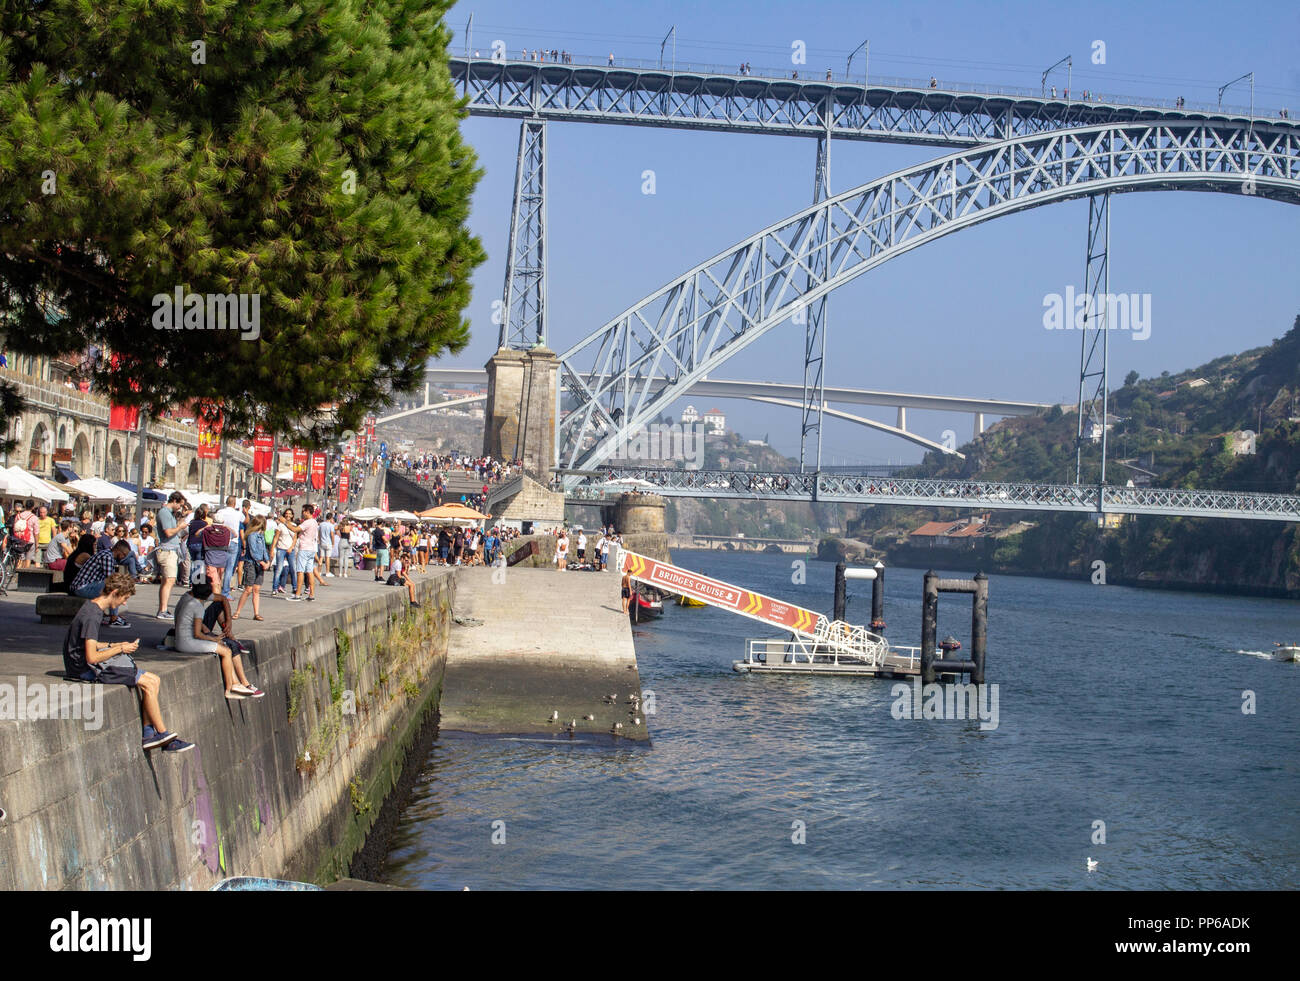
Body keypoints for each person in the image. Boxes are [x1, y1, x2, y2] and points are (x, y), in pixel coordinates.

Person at [63, 569, 192, 752]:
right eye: (124, 599)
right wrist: (120, 649)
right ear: (115, 593)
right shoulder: (93, 615)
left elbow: (87, 643)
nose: (124, 603)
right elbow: (91, 656)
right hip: (86, 669)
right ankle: (163, 735)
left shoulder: (91, 607)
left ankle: (149, 733)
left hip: (82, 663)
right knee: (148, 683)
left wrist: (112, 644)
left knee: (155, 680)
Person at [174, 583, 264, 699]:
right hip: (187, 643)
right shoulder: (198, 607)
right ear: (206, 596)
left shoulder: (191, 601)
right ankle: (230, 689)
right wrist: (213, 639)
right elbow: (197, 633)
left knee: (224, 647)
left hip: (183, 640)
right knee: (226, 651)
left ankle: (236, 683)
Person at [70, 539, 134, 628]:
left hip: (84, 585)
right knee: (114, 588)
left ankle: (111, 615)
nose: (123, 557)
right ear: (118, 550)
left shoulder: (106, 554)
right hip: (82, 587)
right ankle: (114, 618)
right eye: (124, 554)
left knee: (112, 588)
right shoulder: (107, 557)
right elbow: (111, 579)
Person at [154, 491, 186, 619]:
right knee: (169, 580)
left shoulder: (169, 514)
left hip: (171, 549)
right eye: (180, 505)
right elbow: (168, 532)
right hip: (167, 550)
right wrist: (180, 527)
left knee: (167, 580)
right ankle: (163, 610)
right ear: (175, 501)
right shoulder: (164, 513)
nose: (180, 508)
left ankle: (163, 609)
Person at [233, 514, 269, 621]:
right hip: (251, 563)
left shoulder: (261, 535)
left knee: (256, 589)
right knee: (248, 589)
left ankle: (256, 613)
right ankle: (237, 612)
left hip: (260, 564)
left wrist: (268, 561)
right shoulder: (252, 536)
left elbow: (263, 550)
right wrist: (262, 562)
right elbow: (253, 552)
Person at [213, 496, 244, 597]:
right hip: (233, 541)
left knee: (217, 567)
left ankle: (215, 589)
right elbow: (245, 520)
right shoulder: (237, 513)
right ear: (234, 504)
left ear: (226, 502)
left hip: (220, 541)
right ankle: (225, 592)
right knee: (229, 568)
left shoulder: (220, 512)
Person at [197, 516, 234, 599]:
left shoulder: (207, 530)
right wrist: (227, 527)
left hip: (210, 556)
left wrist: (205, 527)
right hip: (222, 557)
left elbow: (197, 534)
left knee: (214, 581)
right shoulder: (226, 531)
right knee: (218, 580)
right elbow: (235, 534)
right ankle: (217, 598)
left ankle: (216, 600)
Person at [272, 508, 296, 594]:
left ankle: (295, 588)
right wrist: (272, 549)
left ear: (292, 515)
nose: (288, 515)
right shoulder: (280, 526)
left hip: (290, 549)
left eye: (290, 514)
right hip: (281, 548)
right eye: (286, 513)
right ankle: (275, 588)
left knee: (293, 569)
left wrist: (291, 547)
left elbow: (295, 538)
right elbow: (276, 538)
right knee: (279, 569)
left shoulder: (294, 525)